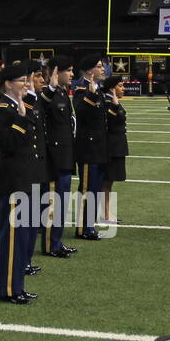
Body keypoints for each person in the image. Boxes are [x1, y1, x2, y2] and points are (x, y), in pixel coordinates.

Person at [0, 61, 43, 304]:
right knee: (12, 239)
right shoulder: (3, 109)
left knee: (22, 237)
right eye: (22, 80)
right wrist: (22, 119)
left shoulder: (18, 105)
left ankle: (18, 286)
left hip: (26, 179)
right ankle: (10, 289)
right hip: (13, 182)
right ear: (9, 83)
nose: (26, 84)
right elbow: (8, 145)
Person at [39, 56, 77, 259]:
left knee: (61, 204)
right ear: (56, 72)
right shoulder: (49, 94)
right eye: (68, 70)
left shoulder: (62, 93)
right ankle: (49, 244)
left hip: (65, 156)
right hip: (54, 158)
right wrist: (51, 88)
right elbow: (40, 107)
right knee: (52, 204)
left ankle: (57, 241)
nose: (72, 74)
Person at [72, 54, 107, 240]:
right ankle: (82, 228)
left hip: (99, 148)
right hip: (88, 149)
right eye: (99, 66)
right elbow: (81, 112)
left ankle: (89, 225)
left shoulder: (96, 88)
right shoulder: (81, 89)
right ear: (88, 70)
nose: (103, 69)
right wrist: (91, 94)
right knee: (87, 189)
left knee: (95, 189)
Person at [102, 76, 128, 221]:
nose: (123, 88)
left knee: (109, 182)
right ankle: (105, 214)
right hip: (111, 147)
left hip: (117, 146)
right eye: (120, 86)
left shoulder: (112, 102)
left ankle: (107, 212)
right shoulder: (108, 103)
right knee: (107, 181)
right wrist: (115, 105)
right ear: (112, 88)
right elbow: (111, 122)